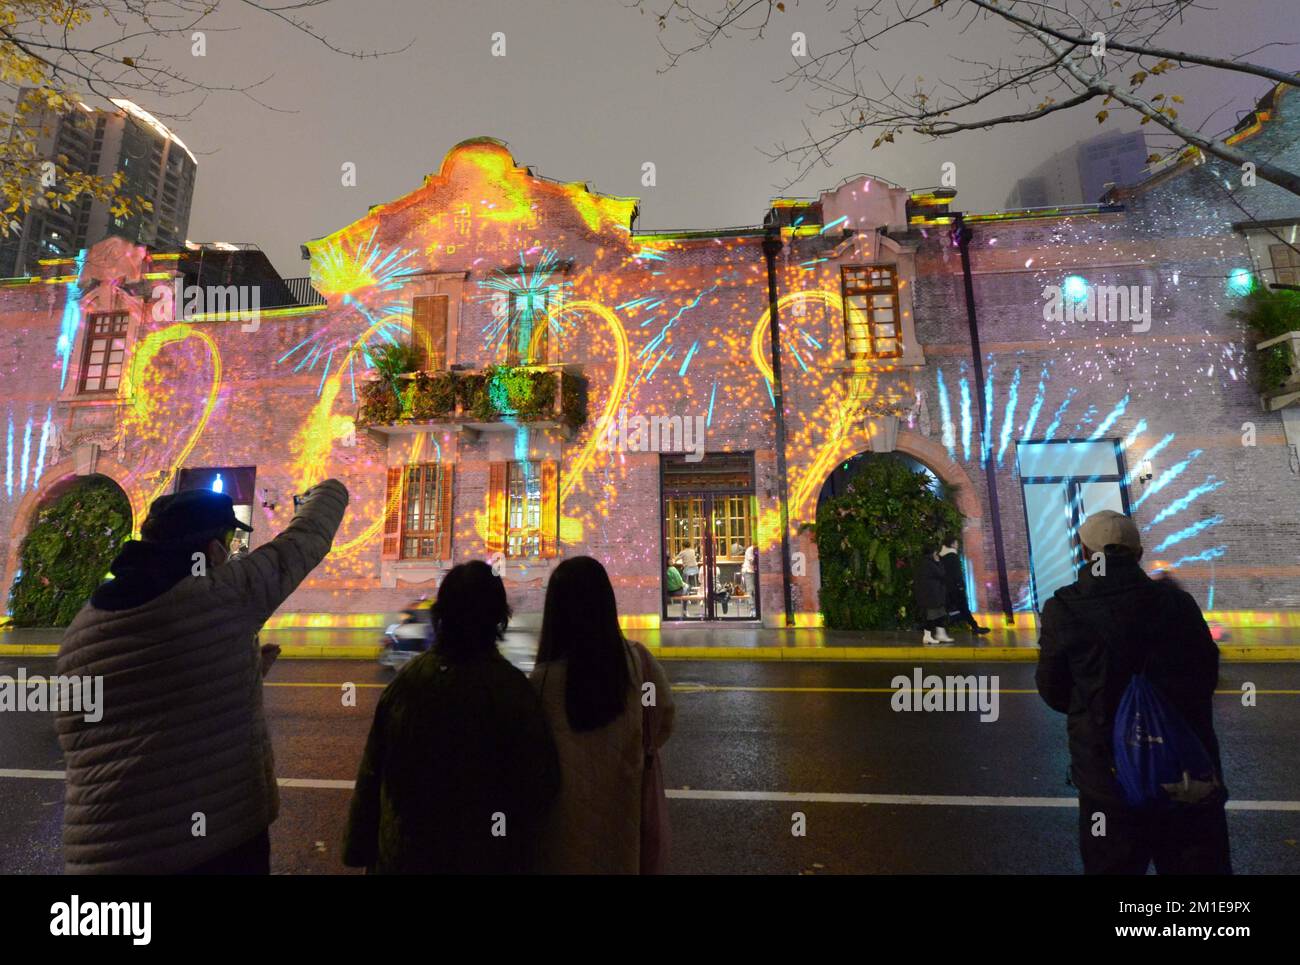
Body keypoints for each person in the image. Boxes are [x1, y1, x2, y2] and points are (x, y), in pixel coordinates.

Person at [56, 479, 350, 874]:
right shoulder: (219, 597)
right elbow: (303, 541)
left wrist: (237, 669)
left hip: (103, 850)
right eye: (227, 543)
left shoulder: (83, 629)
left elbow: (134, 712)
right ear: (213, 549)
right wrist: (328, 489)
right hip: (206, 848)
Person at [1036, 510, 1230, 875]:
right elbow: (1206, 677)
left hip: (1107, 780)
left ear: (1084, 554)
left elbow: (1053, 690)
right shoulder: (1177, 604)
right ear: (1138, 554)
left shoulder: (1063, 608)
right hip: (1185, 774)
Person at [343, 560, 560, 873]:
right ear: (499, 619)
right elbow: (540, 785)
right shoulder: (511, 690)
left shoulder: (407, 684)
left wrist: (358, 849)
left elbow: (373, 774)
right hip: (486, 857)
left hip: (408, 858)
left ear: (441, 615)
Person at [529, 556, 675, 873]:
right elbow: (662, 722)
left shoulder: (541, 681)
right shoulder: (638, 662)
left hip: (561, 841)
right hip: (624, 830)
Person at [939, 536, 990, 634]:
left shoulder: (942, 557)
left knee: (954, 608)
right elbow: (957, 573)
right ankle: (974, 627)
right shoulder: (953, 556)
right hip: (956, 587)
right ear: (952, 544)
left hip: (946, 587)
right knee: (963, 607)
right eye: (956, 543)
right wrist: (961, 586)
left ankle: (973, 626)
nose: (957, 545)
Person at [912, 544, 954, 645]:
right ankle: (927, 637)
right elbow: (941, 574)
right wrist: (938, 562)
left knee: (940, 615)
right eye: (936, 552)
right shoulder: (930, 563)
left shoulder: (923, 562)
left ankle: (940, 634)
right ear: (933, 553)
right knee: (932, 617)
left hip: (931, 594)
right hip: (932, 595)